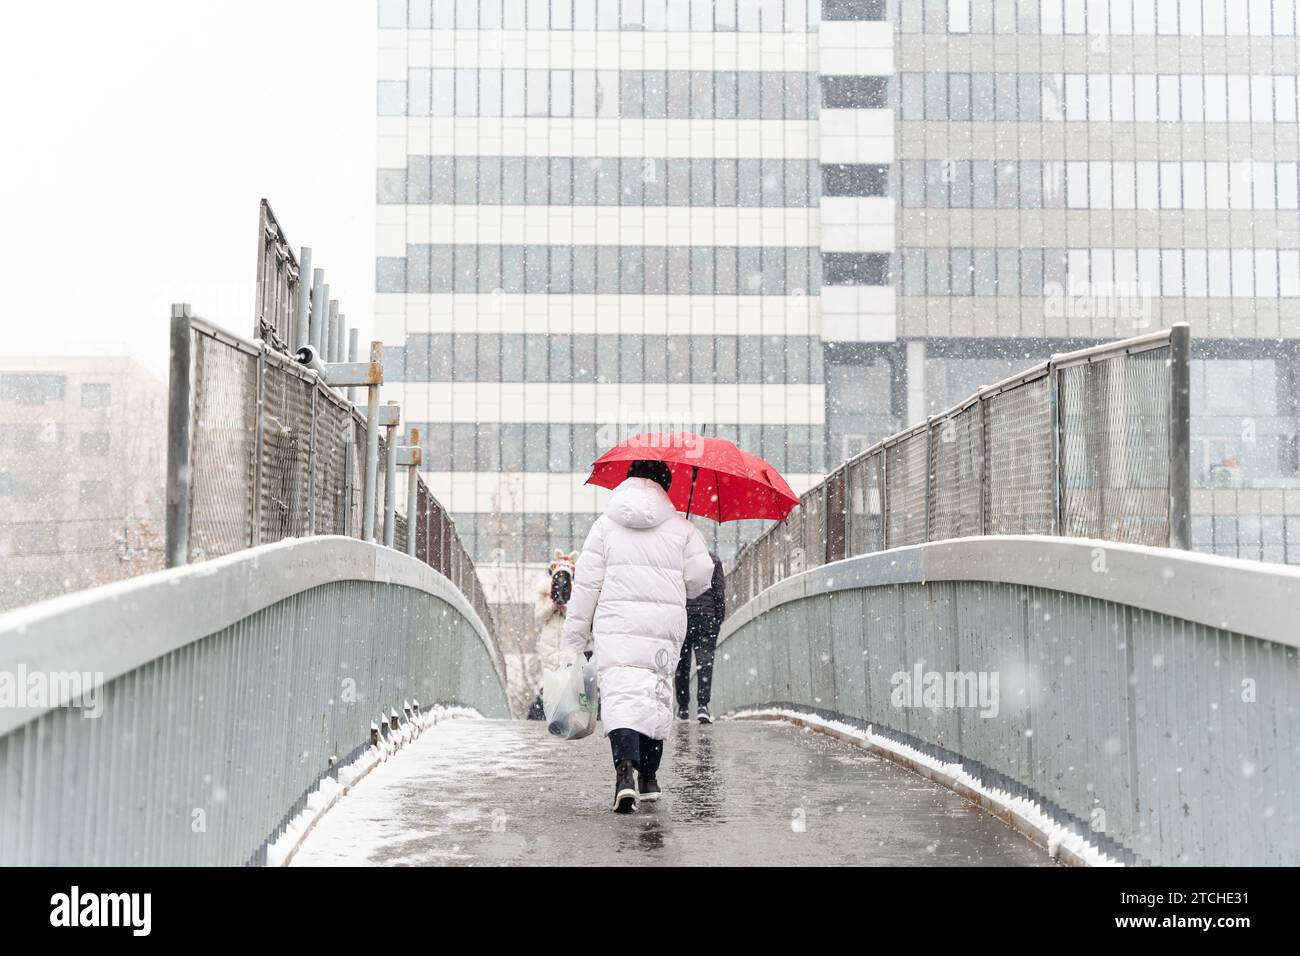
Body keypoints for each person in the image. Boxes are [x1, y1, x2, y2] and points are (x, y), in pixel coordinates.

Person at [561, 459, 714, 813]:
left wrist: (572, 642)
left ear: (627, 481)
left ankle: (624, 772)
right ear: (665, 486)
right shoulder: (681, 528)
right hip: (662, 627)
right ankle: (649, 776)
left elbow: (585, 587)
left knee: (621, 695)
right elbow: (700, 579)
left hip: (616, 625)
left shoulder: (604, 527)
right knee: (655, 693)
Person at [526, 550, 577, 721]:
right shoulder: (544, 592)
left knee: (569, 682)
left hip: (569, 642)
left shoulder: (577, 591)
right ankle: (551, 716)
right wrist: (552, 606)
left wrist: (566, 608)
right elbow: (539, 616)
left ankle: (565, 717)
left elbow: (582, 619)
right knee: (551, 682)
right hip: (549, 643)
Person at [677, 550, 725, 723]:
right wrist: (718, 618)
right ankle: (702, 706)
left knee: (682, 664)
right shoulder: (713, 560)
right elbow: (719, 593)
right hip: (707, 618)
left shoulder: (678, 558)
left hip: (683, 616)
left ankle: (683, 707)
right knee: (705, 663)